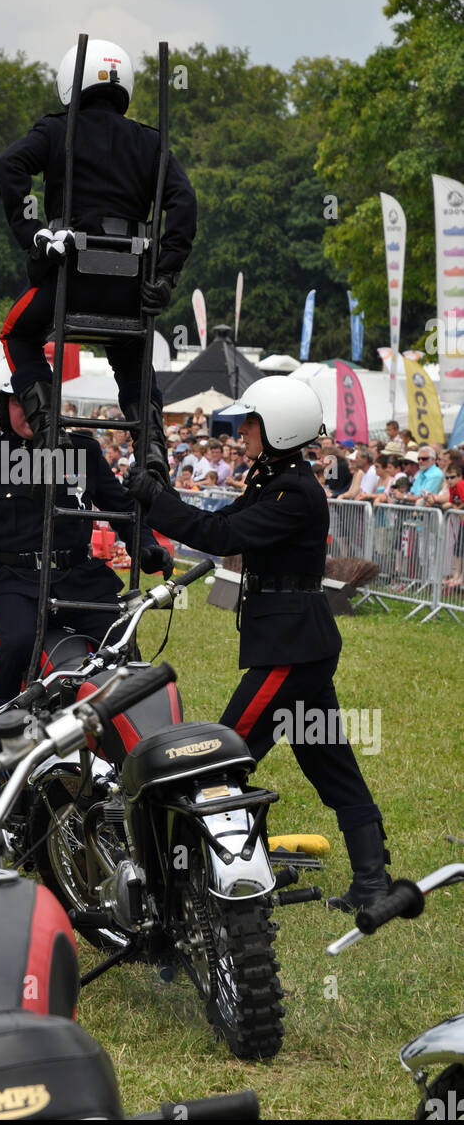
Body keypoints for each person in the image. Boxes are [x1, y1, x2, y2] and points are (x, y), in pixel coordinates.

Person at [127, 376, 391, 913]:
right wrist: (164, 496)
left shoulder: (293, 490)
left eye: (252, 421)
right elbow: (218, 521)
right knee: (330, 762)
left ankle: (187, 878)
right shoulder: (275, 479)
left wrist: (158, 503)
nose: (243, 429)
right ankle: (372, 880)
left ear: (279, 429)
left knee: (220, 757)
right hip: (298, 642)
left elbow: (222, 539)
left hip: (290, 648)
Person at [0, 361, 173, 816]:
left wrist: (145, 547)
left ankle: (138, 759)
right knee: (15, 645)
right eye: (19, 401)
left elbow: (123, 507)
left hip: (79, 574)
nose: (30, 409)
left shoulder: (82, 452)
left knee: (121, 645)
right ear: (1, 405)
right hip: (13, 579)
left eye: (38, 398)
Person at [0, 38, 197, 481]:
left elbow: (10, 164)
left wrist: (35, 234)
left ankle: (47, 424)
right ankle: (152, 444)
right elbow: (184, 201)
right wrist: (166, 274)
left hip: (70, 277)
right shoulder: (151, 142)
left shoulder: (56, 131)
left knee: (16, 333)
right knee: (132, 353)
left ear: (71, 81)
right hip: (130, 284)